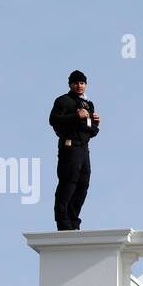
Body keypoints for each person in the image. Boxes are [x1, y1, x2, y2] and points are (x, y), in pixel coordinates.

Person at [48, 70, 101, 230]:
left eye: (82, 83)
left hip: (84, 149)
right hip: (69, 147)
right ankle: (63, 222)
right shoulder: (63, 101)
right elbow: (53, 120)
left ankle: (73, 221)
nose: (79, 86)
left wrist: (96, 123)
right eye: (76, 83)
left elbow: (91, 131)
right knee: (69, 182)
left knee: (83, 184)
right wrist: (76, 115)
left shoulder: (88, 104)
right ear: (70, 84)